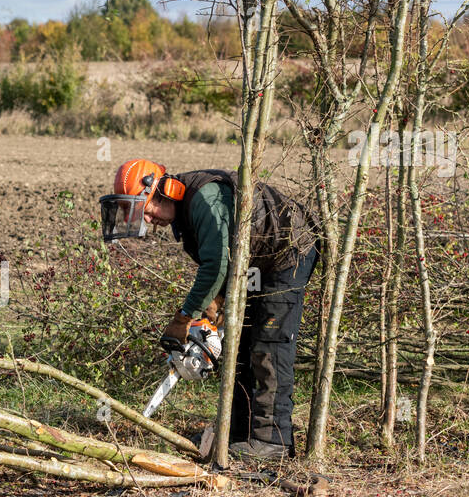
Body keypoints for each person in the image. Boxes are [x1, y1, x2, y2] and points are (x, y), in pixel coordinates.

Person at [106, 159, 320, 460]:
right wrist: (210, 314)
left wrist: (186, 317)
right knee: (241, 345)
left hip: (288, 252)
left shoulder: (205, 200)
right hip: (254, 263)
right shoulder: (186, 214)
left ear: (164, 190)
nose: (150, 220)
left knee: (268, 347)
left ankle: (273, 441)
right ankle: (238, 433)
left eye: (147, 211)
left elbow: (217, 265)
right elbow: (228, 260)